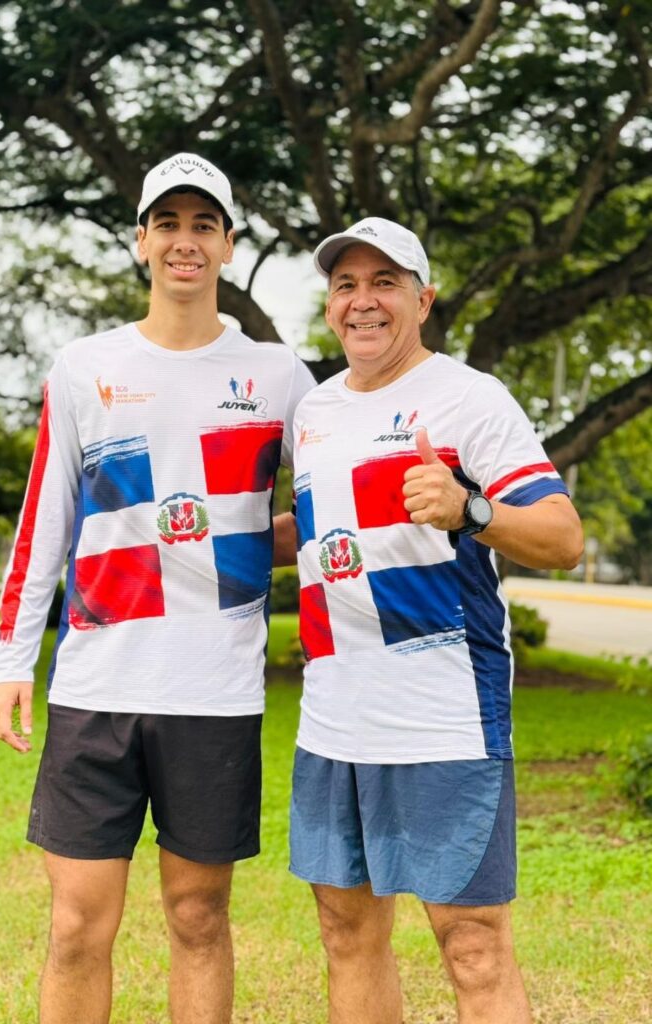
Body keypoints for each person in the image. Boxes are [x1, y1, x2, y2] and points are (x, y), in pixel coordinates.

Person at [0, 152, 315, 1024]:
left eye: (203, 225)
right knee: (75, 927)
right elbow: (42, 525)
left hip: (215, 691)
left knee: (199, 918)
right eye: (167, 224)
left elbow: (330, 509)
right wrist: (10, 661)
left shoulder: (280, 378)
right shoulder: (82, 369)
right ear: (140, 242)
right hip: (97, 688)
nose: (184, 242)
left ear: (230, 246)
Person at [288, 217, 584, 1024]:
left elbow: (561, 536)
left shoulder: (468, 397)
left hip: (443, 715)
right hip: (333, 714)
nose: (364, 301)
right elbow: (323, 536)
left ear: (423, 299)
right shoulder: (312, 411)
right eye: (346, 284)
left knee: (473, 947)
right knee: (346, 933)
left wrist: (470, 508)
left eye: (385, 282)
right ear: (330, 307)